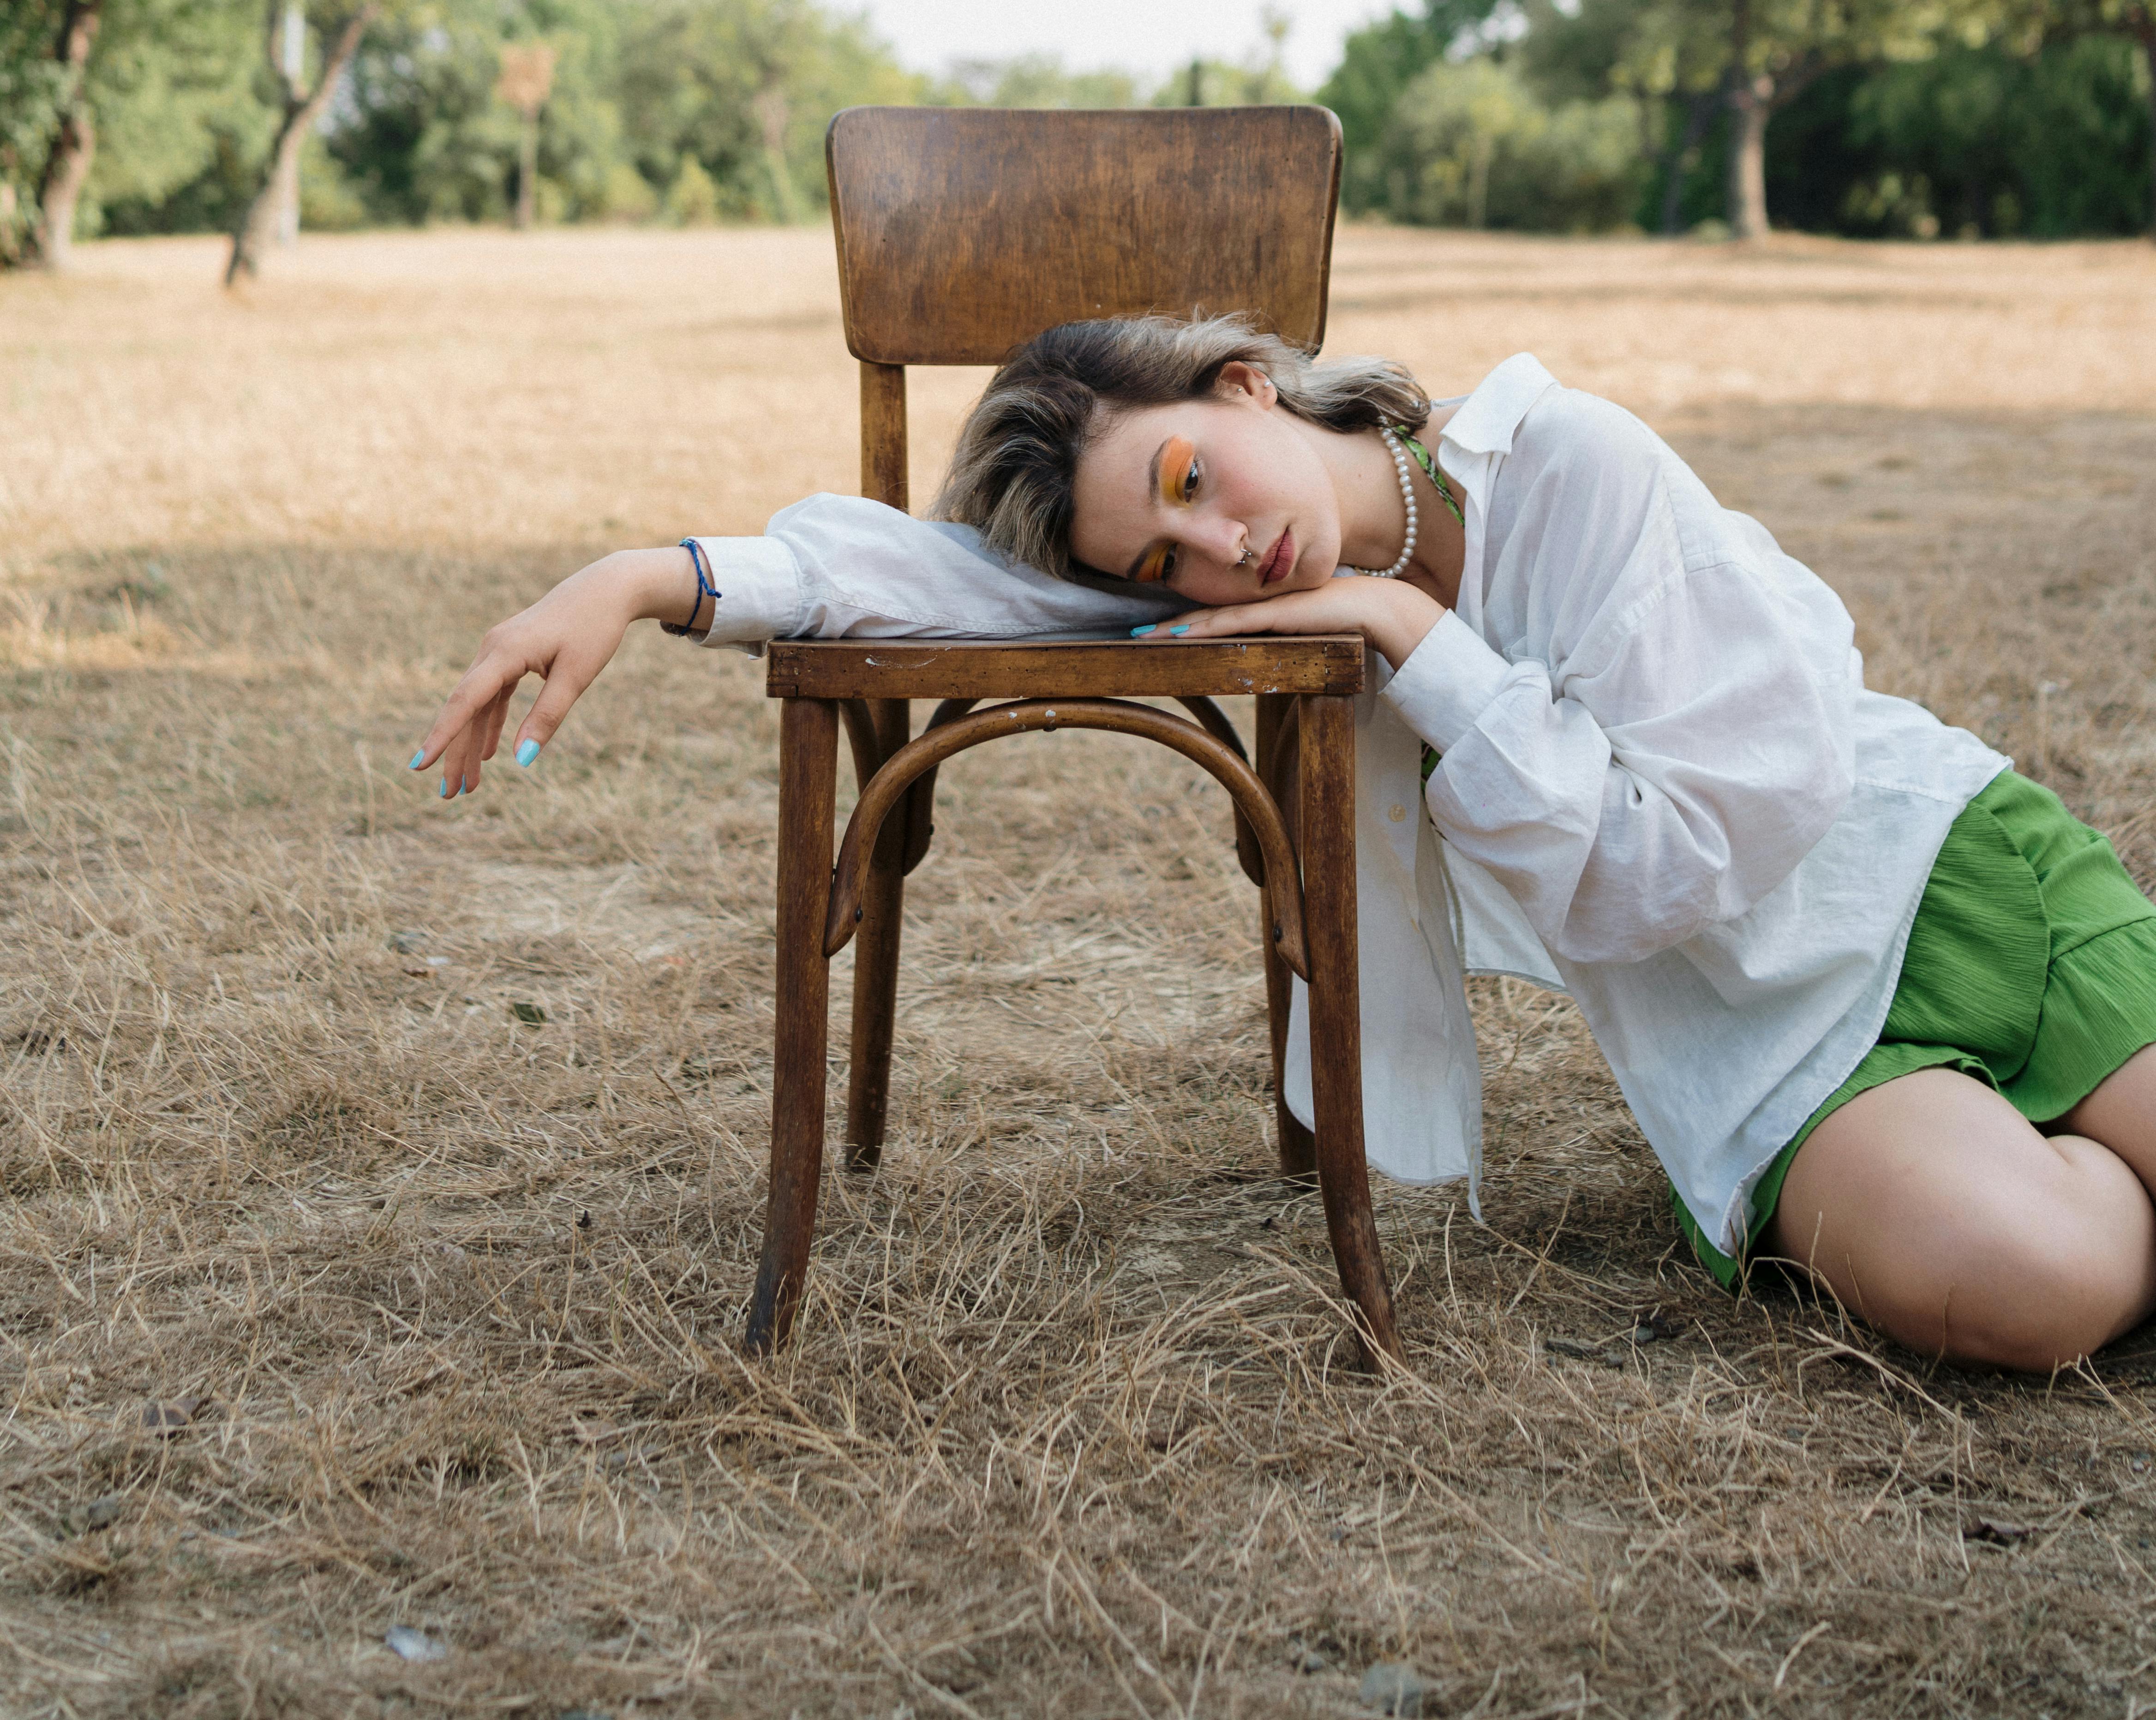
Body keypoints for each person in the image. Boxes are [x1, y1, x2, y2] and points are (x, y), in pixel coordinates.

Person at [410, 318, 2156, 1371]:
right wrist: (647, 579)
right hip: (1775, 1058)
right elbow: (935, 584)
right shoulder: (1292, 601)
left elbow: (1699, 850)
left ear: (1244, 384)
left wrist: (1411, 633)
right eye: (1157, 569)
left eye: (1191, 481)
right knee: (2040, 1292)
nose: (1220, 552)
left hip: (1943, 878)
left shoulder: (1569, 470)